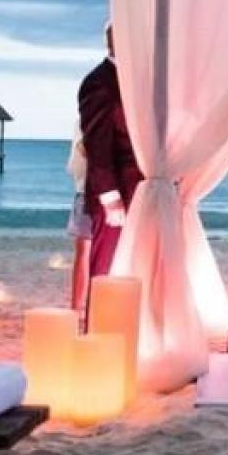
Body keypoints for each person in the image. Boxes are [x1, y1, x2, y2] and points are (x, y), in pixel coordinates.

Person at [78, 23, 142, 287]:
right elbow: (97, 143)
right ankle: (100, 324)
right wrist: (109, 196)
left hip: (141, 188)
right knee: (107, 266)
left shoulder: (136, 80)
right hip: (115, 194)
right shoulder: (99, 81)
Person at [65, 120, 92, 311]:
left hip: (87, 190)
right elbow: (82, 149)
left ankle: (77, 306)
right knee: (84, 251)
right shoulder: (84, 121)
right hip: (88, 191)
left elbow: (74, 166)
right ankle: (77, 306)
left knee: (84, 252)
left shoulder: (82, 120)